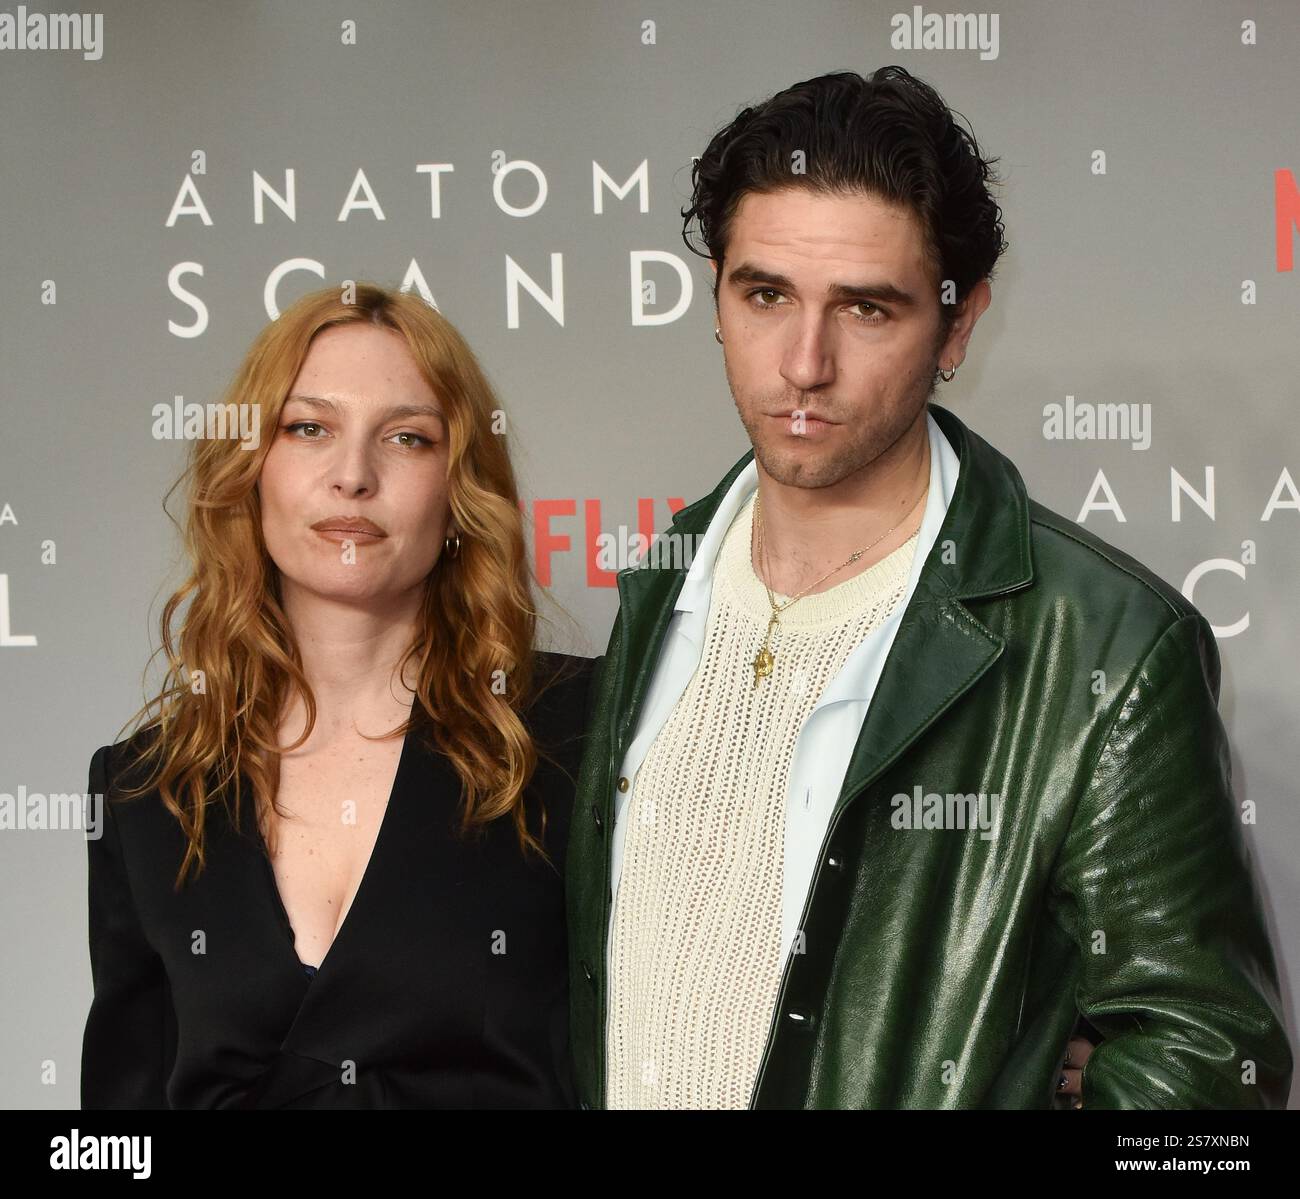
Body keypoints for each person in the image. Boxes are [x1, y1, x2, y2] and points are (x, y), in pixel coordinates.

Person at [564, 67, 1293, 1109]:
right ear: (718, 296)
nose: (802, 363)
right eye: (765, 294)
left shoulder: (1101, 648)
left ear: (957, 326)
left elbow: (1216, 1072)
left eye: (866, 308)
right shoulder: (656, 590)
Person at [81, 283, 594, 1108]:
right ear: (250, 471)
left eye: (408, 438)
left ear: (460, 489)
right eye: (309, 428)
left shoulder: (578, 733)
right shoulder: (146, 787)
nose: (353, 475)